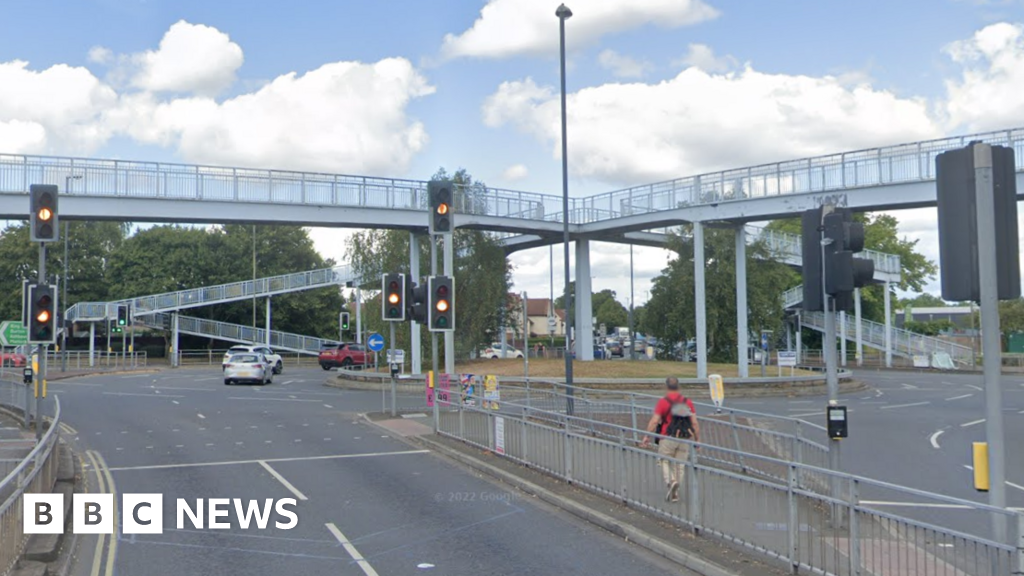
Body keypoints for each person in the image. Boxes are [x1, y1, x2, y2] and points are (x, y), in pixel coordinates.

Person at [640, 377, 700, 503]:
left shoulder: (663, 402)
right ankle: (675, 492)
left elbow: (655, 421)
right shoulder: (686, 402)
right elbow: (694, 423)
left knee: (664, 461)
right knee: (680, 465)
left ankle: (671, 481)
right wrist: (697, 440)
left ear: (666, 387)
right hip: (684, 438)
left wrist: (646, 436)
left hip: (667, 436)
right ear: (678, 386)